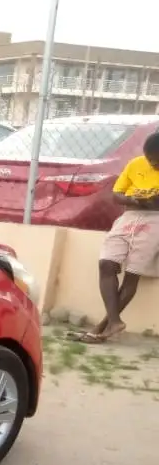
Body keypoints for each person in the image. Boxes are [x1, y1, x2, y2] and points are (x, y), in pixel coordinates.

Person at [77, 132, 159, 343]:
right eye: (150, 159)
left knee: (132, 274)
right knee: (106, 264)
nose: (152, 164)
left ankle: (102, 326)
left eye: (156, 161)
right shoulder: (136, 164)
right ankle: (114, 321)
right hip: (129, 217)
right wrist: (136, 199)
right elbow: (116, 195)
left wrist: (153, 202)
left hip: (156, 221)